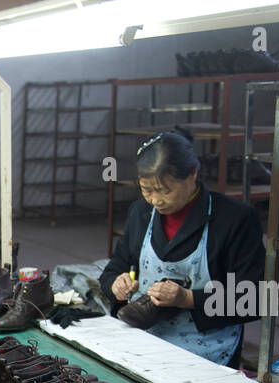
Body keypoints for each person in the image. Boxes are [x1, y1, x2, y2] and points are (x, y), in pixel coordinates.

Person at [99, 129, 265, 368]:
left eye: (165, 190)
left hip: (207, 352)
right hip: (144, 342)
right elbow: (115, 268)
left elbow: (252, 299)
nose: (156, 200)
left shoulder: (235, 219)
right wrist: (116, 283)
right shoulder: (140, 214)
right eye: (147, 190)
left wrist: (187, 298)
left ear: (192, 175)